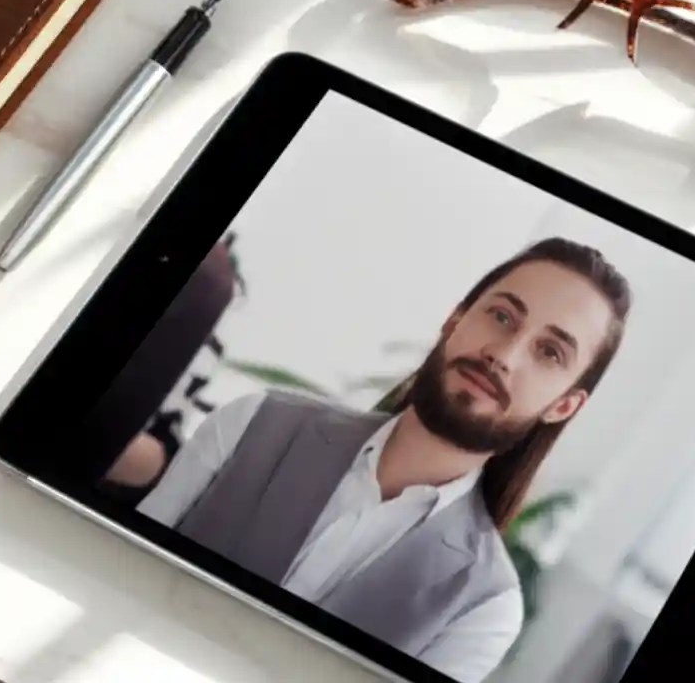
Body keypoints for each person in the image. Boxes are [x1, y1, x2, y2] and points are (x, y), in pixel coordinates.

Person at [138, 237, 633, 682]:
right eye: (502, 316)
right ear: (456, 319)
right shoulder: (255, 421)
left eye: (549, 353)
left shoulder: (485, 609)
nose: (505, 354)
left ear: (563, 405)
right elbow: (129, 565)